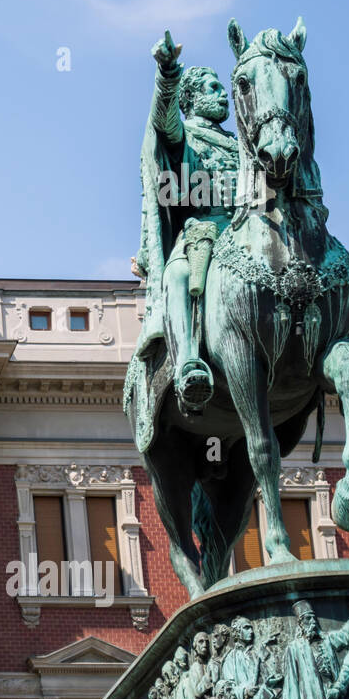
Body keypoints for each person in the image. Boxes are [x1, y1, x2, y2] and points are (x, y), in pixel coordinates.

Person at [131, 31, 240, 416]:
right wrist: (167, 75)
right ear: (191, 98)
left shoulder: (245, 146)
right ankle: (188, 361)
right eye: (213, 88)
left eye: (223, 88)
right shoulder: (185, 136)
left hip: (249, 232)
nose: (223, 94)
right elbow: (164, 120)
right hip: (202, 235)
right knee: (178, 276)